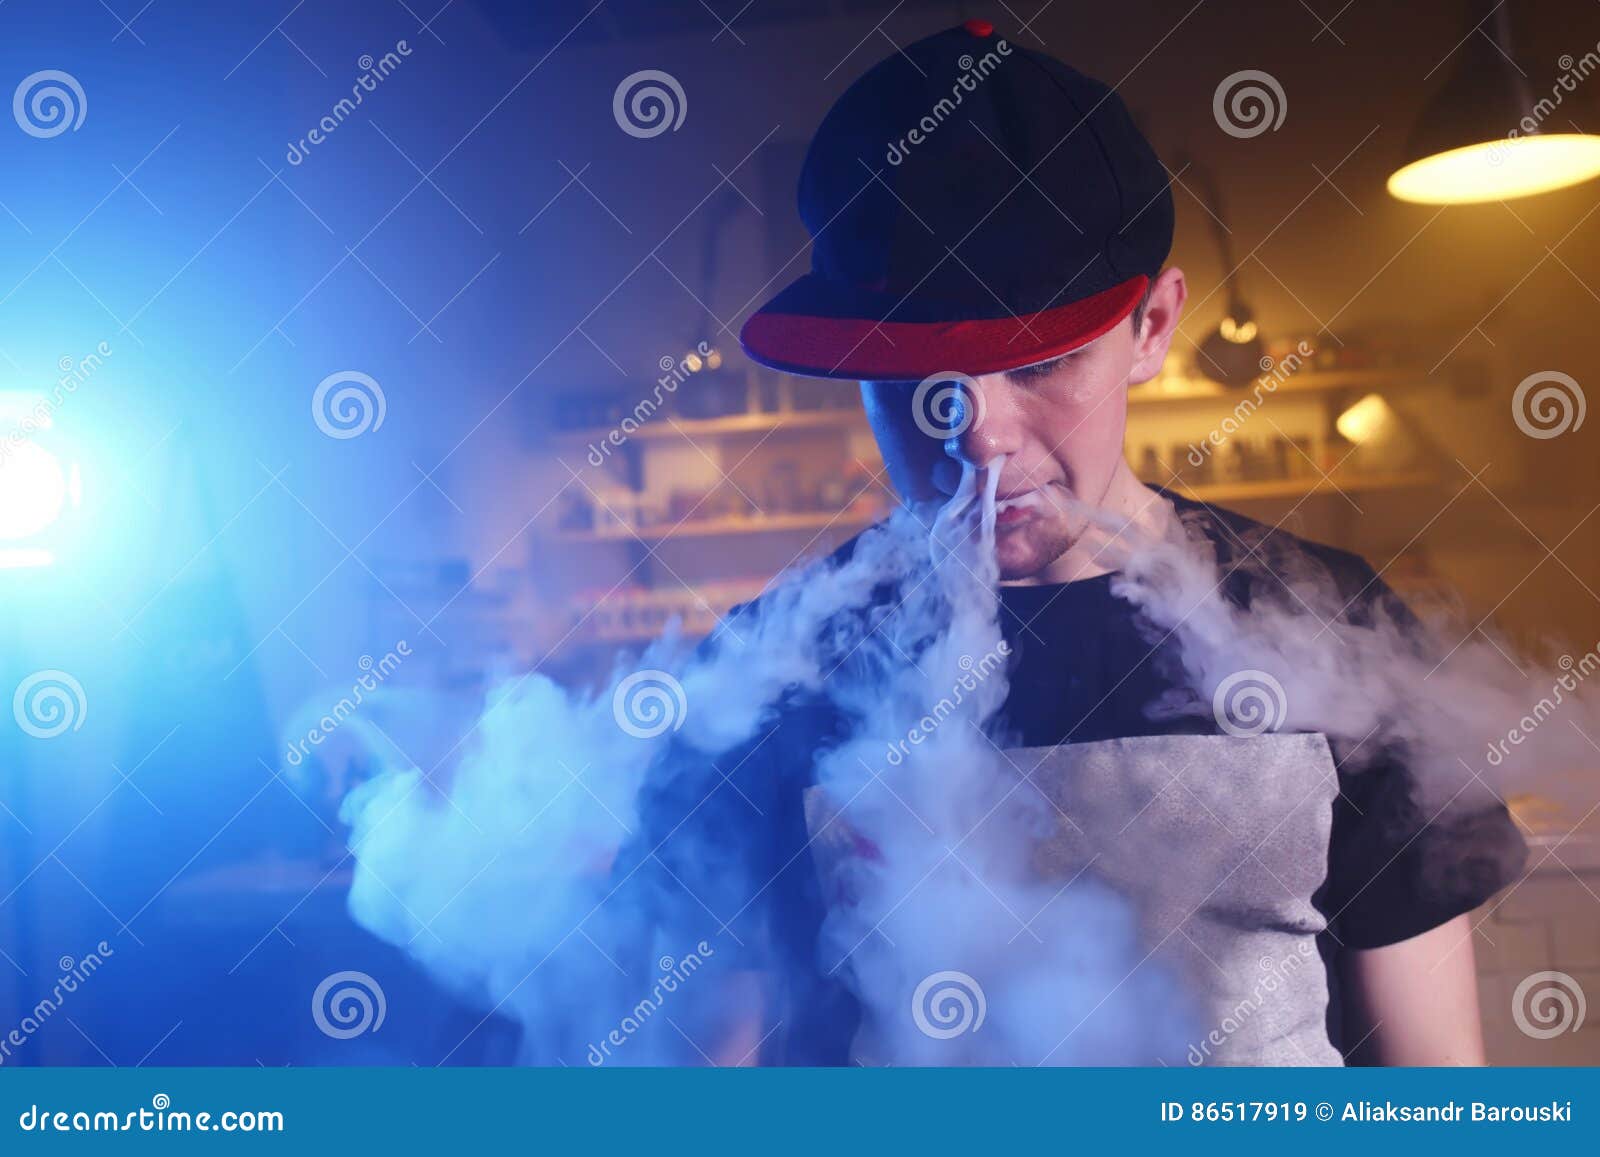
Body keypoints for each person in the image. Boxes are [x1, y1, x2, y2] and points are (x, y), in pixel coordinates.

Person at [612, 20, 1525, 1066]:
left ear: (1150, 327)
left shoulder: (1337, 627)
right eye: (916, 382)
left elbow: (1434, 1087)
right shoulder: (764, 672)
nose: (980, 437)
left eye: (1040, 363)